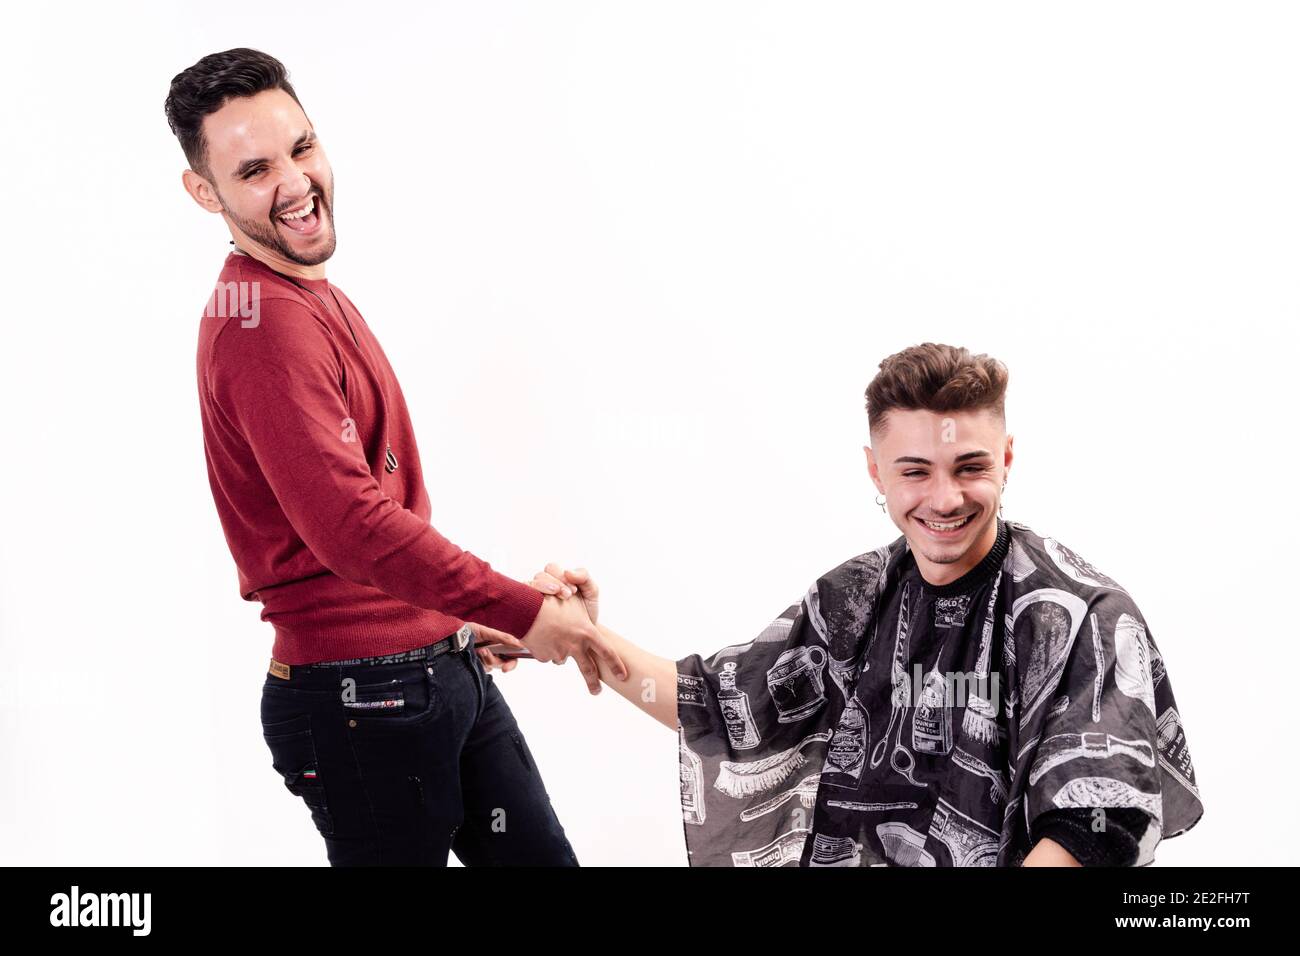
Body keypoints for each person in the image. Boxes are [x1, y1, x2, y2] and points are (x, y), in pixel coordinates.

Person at [167, 48, 623, 865]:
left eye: (302, 148)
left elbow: (355, 518)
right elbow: (350, 526)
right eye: (256, 169)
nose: (296, 183)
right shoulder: (258, 322)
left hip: (431, 672)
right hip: (364, 702)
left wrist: (460, 618)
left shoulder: (303, 294)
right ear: (205, 193)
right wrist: (525, 608)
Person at [534, 343, 1203, 866]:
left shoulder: (1080, 614)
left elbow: (1098, 823)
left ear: (1006, 457)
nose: (944, 499)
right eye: (915, 471)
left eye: (970, 467)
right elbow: (720, 703)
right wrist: (582, 637)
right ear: (874, 471)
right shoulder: (854, 598)